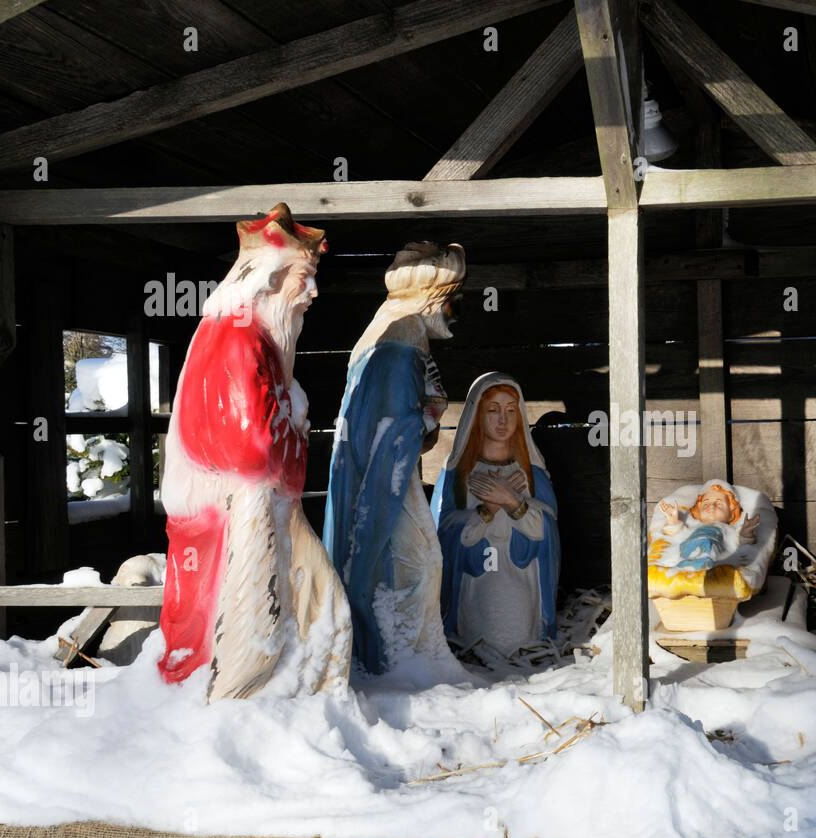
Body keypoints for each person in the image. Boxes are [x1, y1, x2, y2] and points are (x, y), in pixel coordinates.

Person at [159, 203, 352, 701]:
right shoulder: (238, 337)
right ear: (268, 279)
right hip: (243, 517)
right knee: (267, 623)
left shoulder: (259, 339)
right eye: (303, 278)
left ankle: (297, 704)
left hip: (263, 509)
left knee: (318, 606)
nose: (312, 292)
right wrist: (293, 420)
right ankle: (247, 705)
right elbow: (252, 450)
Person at [323, 242, 467, 682]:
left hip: (383, 477)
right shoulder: (400, 343)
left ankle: (406, 665)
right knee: (419, 567)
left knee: (419, 565)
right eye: (452, 302)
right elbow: (395, 428)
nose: (454, 313)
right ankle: (397, 668)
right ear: (432, 299)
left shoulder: (395, 336)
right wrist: (425, 416)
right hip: (381, 486)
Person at [431, 373, 560, 658]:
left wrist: (513, 501)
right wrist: (487, 510)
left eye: (510, 410)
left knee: (514, 631)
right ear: (477, 414)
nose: (502, 420)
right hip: (474, 582)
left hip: (522, 577)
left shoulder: (532, 474)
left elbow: (549, 530)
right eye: (493, 410)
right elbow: (441, 531)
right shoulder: (457, 474)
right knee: (484, 632)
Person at [657, 484, 760, 571]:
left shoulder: (727, 529)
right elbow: (680, 536)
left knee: (709, 546)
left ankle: (703, 566)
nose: (711, 506)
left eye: (719, 503)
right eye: (706, 504)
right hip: (689, 548)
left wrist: (746, 532)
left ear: (731, 513)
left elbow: (738, 543)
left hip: (714, 552)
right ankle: (685, 567)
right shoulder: (694, 527)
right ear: (698, 511)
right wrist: (673, 521)